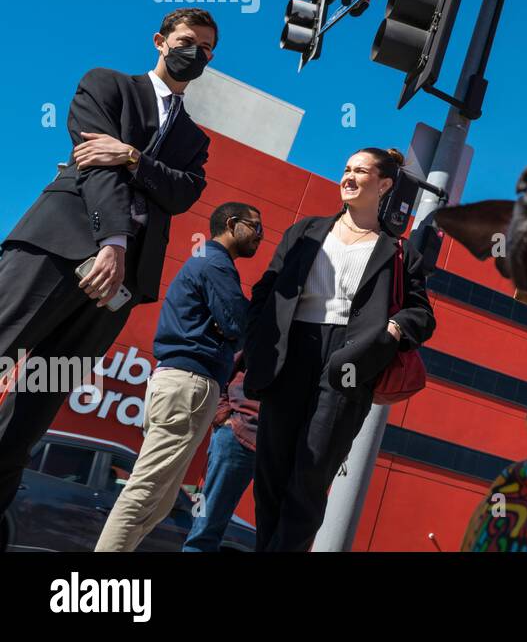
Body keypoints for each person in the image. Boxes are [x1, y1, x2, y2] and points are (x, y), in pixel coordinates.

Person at [0, 8, 215, 516]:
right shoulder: (108, 85)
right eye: (188, 41)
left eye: (206, 49)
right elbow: (97, 167)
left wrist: (134, 156)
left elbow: (183, 194)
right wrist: (112, 241)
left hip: (114, 290)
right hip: (59, 250)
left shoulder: (195, 140)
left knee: (36, 406)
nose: (196, 54)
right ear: (160, 41)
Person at [242, 148, 436, 552]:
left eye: (360, 171)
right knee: (270, 478)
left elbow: (422, 314)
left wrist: (391, 332)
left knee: (310, 477)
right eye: (345, 168)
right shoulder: (306, 231)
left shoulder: (399, 251)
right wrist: (255, 340)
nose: (348, 176)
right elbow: (267, 289)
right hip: (288, 355)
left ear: (384, 185)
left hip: (349, 362)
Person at [95, 202, 263, 551]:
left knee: (158, 502)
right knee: (145, 494)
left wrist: (227, 326)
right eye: (255, 227)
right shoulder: (216, 262)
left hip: (180, 384)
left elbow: (229, 324)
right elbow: (239, 324)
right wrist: (231, 327)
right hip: (189, 383)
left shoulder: (208, 261)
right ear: (232, 224)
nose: (261, 236)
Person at [184, 353, 260, 551]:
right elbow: (222, 364)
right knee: (203, 528)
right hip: (237, 436)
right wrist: (222, 414)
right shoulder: (265, 324)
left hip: (283, 444)